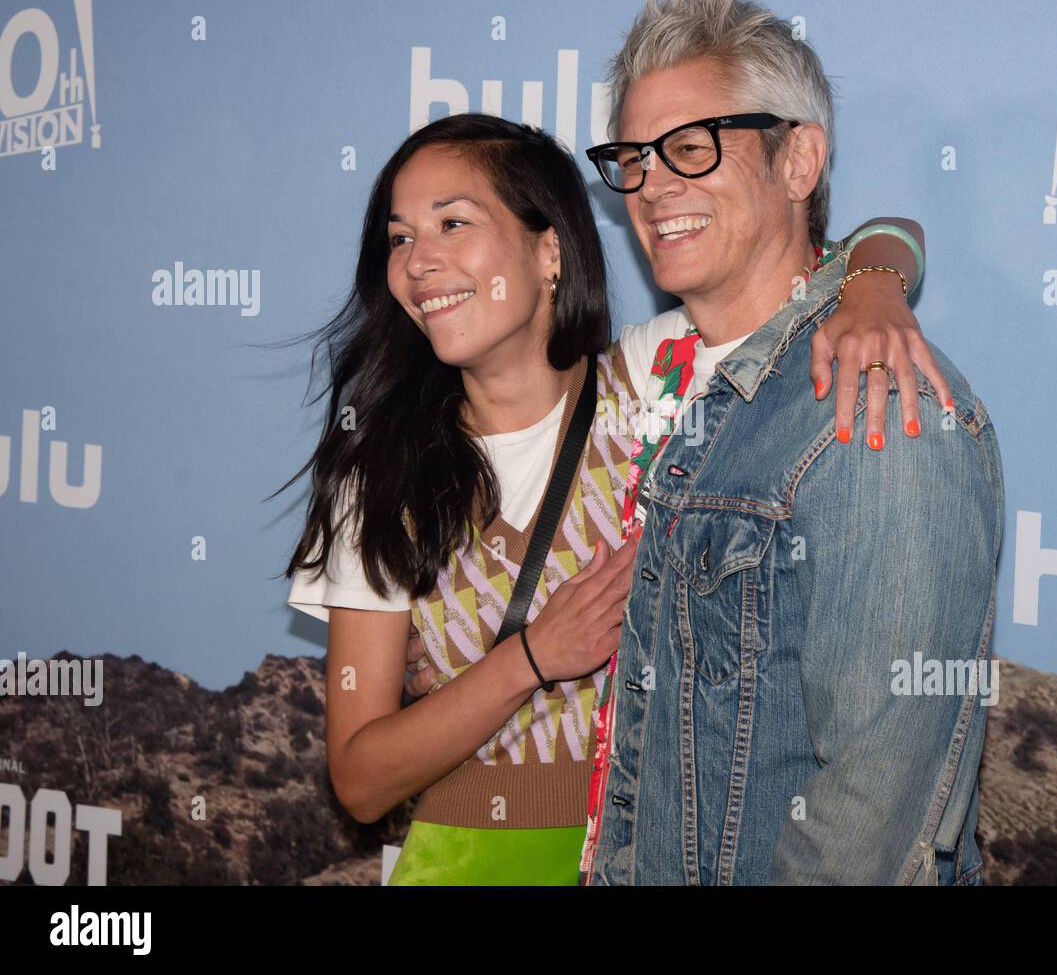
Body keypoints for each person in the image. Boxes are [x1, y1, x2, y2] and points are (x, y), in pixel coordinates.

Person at [280, 110, 944, 885]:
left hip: (661, 853)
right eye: (399, 238)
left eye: (452, 223)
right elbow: (360, 780)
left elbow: (884, 234)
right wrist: (533, 658)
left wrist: (873, 292)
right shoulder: (378, 475)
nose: (419, 263)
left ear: (549, 248)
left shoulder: (654, 378)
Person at [562, 0, 1005, 886]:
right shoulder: (694, 384)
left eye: (691, 148)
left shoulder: (874, 398)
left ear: (798, 159)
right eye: (634, 158)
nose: (652, 187)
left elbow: (872, 820)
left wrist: (875, 272)